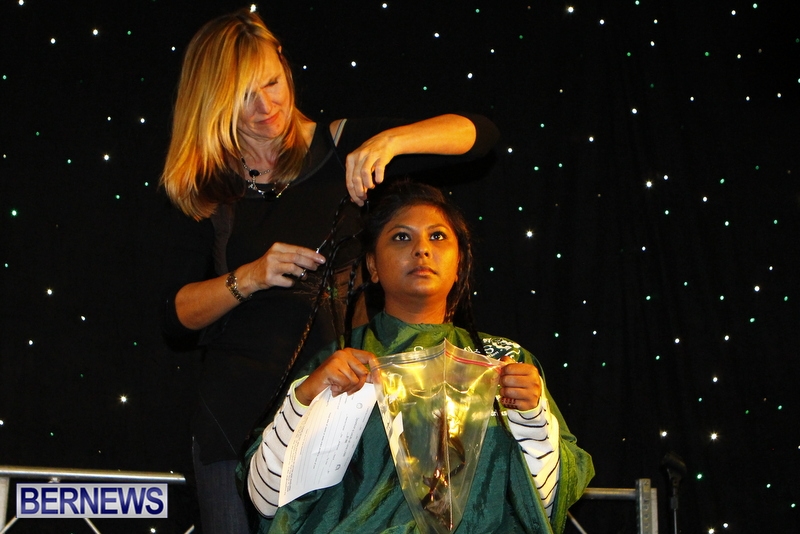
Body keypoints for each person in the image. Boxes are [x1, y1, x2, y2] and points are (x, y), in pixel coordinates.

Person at [159, 8, 499, 533]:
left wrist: (393, 141)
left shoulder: (337, 147)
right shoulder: (203, 185)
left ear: (286, 69)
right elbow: (176, 317)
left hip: (334, 411)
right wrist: (247, 278)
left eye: (272, 82)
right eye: (244, 95)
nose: (267, 105)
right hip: (232, 415)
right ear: (212, 102)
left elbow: (479, 135)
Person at [241, 181, 594, 533]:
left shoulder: (505, 363)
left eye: (438, 237)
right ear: (373, 267)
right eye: (401, 237)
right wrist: (304, 398)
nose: (422, 249)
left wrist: (532, 418)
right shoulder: (337, 364)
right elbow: (267, 501)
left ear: (459, 264)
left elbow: (545, 504)